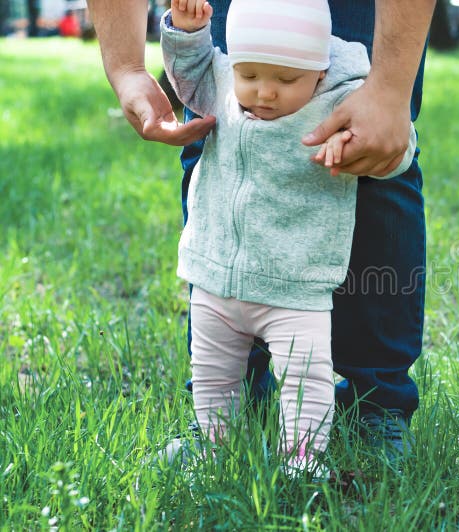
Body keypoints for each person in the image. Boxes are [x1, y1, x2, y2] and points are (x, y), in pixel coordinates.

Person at [86, 0, 435, 456]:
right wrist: (133, 65)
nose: (266, 94)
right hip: (222, 279)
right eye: (250, 79)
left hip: (305, 283)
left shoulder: (338, 74)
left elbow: (389, 143)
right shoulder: (226, 74)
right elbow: (200, 75)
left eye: (285, 82)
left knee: (370, 146)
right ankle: (224, 414)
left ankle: (375, 406)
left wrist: (388, 93)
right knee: (218, 125)